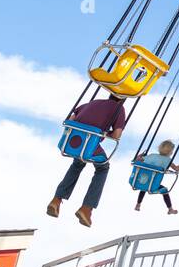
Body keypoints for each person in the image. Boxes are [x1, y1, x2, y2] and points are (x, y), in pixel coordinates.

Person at [47, 93, 127, 228]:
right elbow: (116, 135)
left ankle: (56, 200)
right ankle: (86, 208)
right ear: (122, 100)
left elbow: (72, 119)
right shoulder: (118, 109)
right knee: (103, 168)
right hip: (88, 146)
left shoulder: (91, 103)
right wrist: (105, 133)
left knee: (78, 162)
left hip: (71, 143)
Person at [133, 139, 179, 214]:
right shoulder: (168, 160)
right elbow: (176, 168)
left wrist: (140, 155)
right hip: (154, 186)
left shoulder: (151, 155)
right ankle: (170, 209)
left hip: (140, 181)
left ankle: (138, 204)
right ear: (171, 152)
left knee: (145, 184)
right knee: (165, 190)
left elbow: (138, 160)